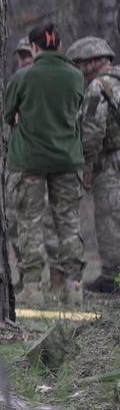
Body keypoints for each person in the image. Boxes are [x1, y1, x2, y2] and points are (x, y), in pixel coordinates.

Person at [4, 23, 87, 300]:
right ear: (60, 46)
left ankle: (32, 287)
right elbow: (78, 110)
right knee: (68, 223)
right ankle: (73, 287)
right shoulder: (76, 76)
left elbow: (8, 113)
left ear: (35, 48)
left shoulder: (22, 77)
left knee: (29, 222)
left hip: (29, 160)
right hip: (67, 157)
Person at [72, 37, 120, 294]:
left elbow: (92, 132)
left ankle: (113, 278)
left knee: (110, 220)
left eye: (80, 64)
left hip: (110, 162)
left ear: (92, 63)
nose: (79, 70)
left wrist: (87, 169)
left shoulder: (97, 88)